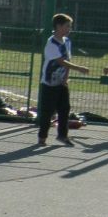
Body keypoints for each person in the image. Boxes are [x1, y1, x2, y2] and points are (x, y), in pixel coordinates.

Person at [36, 12, 89, 146]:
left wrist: (66, 78)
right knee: (48, 111)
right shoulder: (51, 43)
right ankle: (42, 137)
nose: (69, 29)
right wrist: (79, 68)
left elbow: (68, 60)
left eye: (70, 26)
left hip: (61, 82)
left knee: (65, 109)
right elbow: (61, 61)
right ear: (58, 26)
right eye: (67, 26)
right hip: (49, 83)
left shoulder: (67, 42)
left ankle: (62, 135)